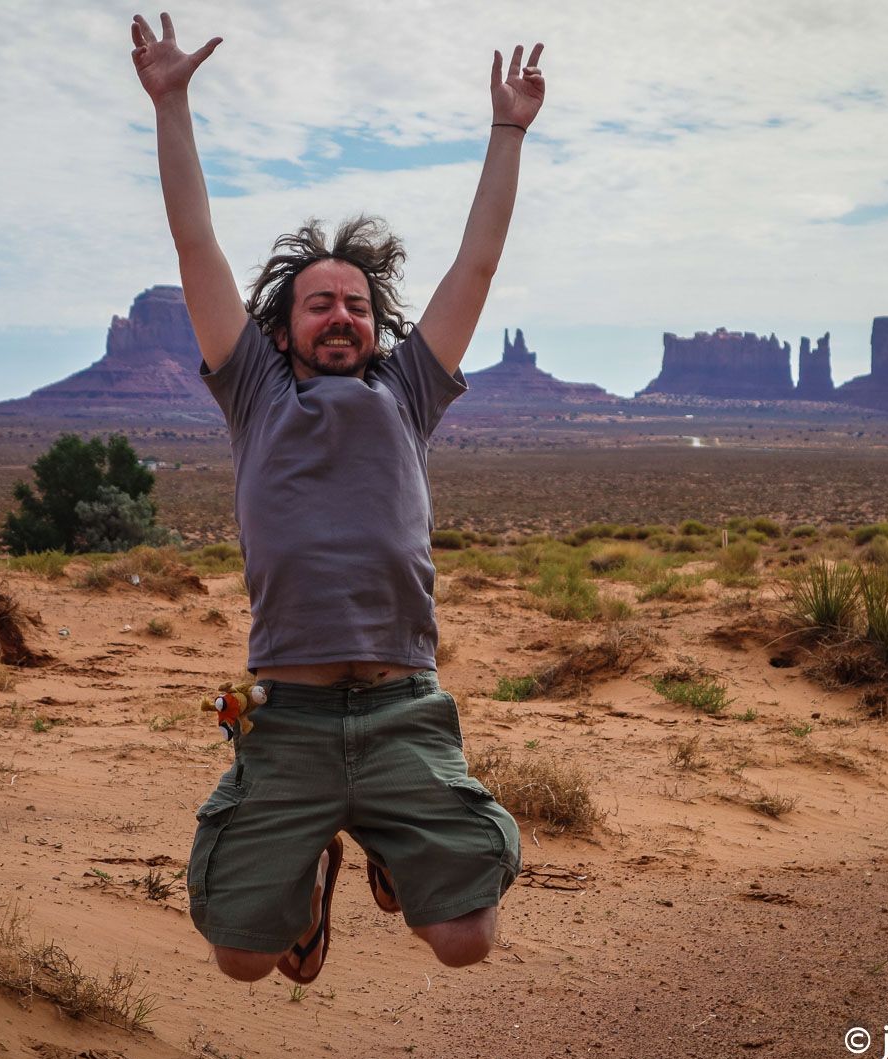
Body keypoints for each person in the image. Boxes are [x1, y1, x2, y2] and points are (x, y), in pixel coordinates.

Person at [129, 11, 546, 984]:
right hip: (290, 714)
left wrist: (507, 133)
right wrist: (171, 104)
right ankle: (315, 871)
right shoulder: (256, 392)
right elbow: (198, 247)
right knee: (243, 957)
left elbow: (473, 265)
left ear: (376, 323)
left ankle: (394, 848)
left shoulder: (406, 390)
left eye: (357, 303)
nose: (341, 315)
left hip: (401, 702)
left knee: (466, 937)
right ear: (281, 329)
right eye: (319, 302)